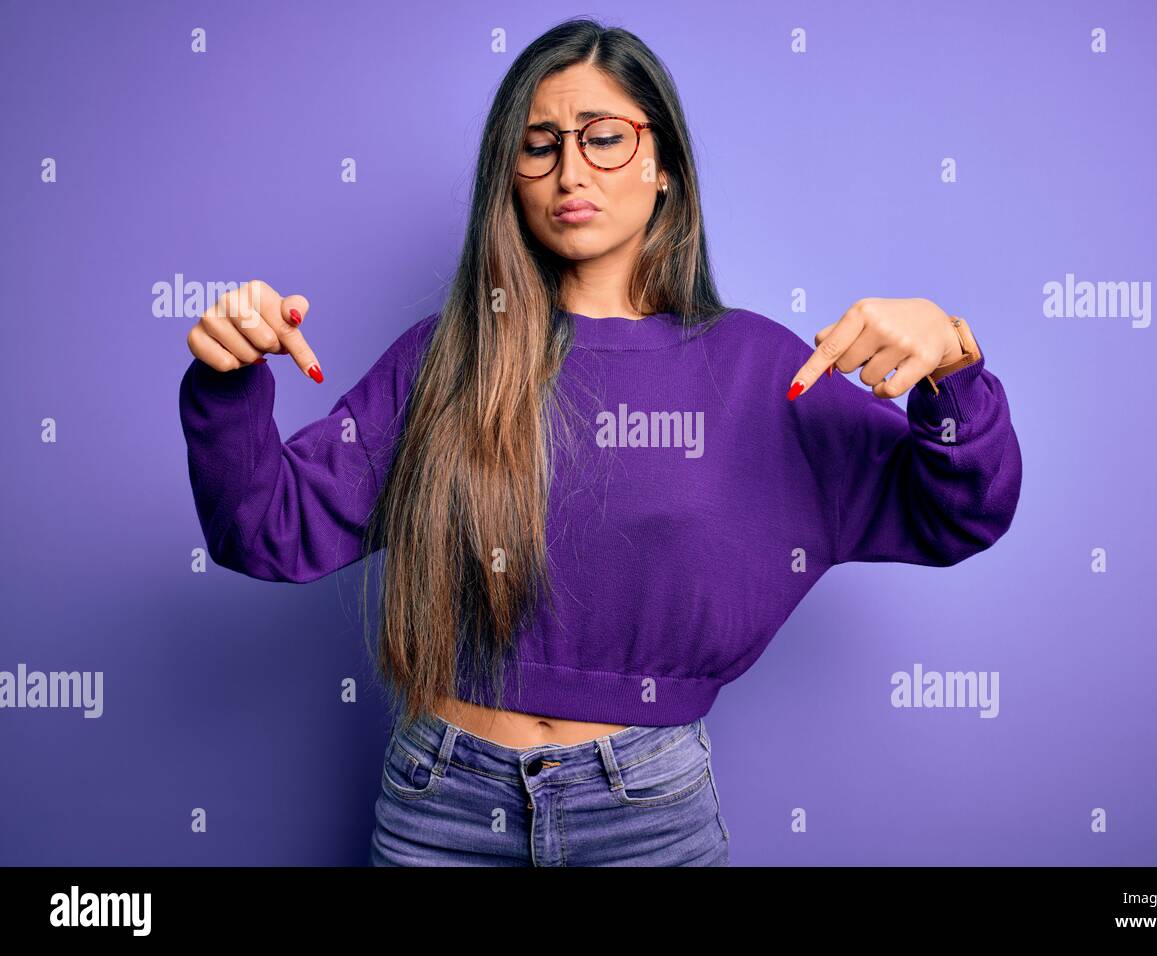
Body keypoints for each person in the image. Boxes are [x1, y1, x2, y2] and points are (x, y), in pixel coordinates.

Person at [177, 17, 1022, 867]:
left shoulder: (762, 372)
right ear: (509, 179)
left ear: (663, 166)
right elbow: (263, 530)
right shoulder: (450, 358)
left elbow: (959, 513)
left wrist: (952, 363)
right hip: (442, 804)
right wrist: (230, 378)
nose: (570, 169)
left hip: (645, 813)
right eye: (539, 145)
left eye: (604, 137)